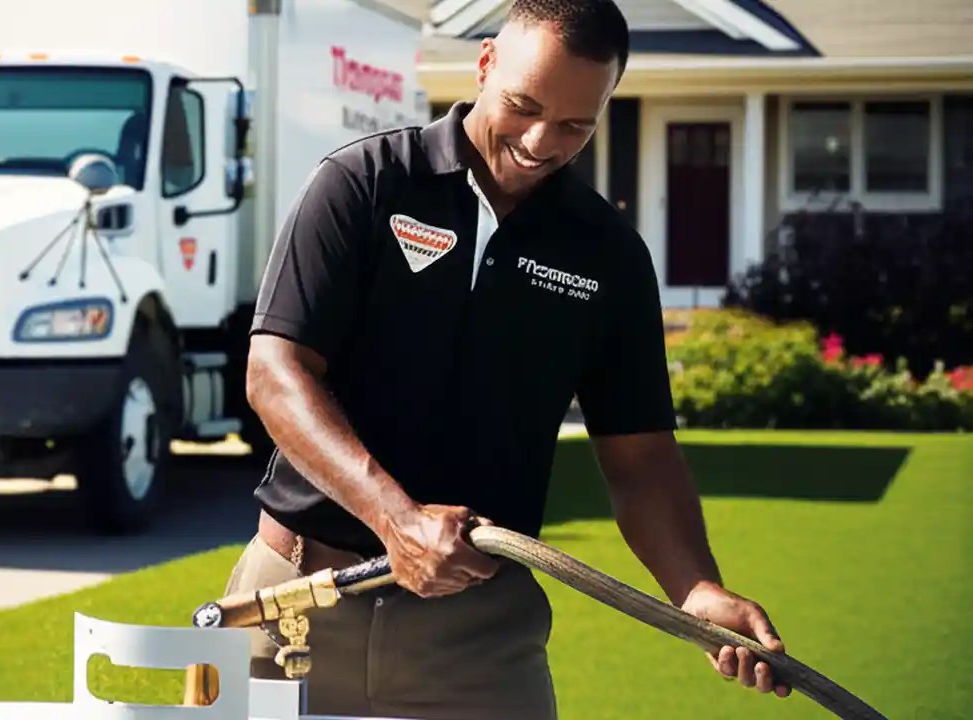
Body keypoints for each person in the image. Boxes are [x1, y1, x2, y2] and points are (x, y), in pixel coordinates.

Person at [225, 1, 789, 717]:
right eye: (524, 105)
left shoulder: (608, 255)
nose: (540, 141)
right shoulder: (363, 184)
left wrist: (697, 589)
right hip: (294, 608)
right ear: (486, 62)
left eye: (575, 125)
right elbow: (275, 374)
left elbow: (641, 458)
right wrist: (396, 519)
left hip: (480, 639)